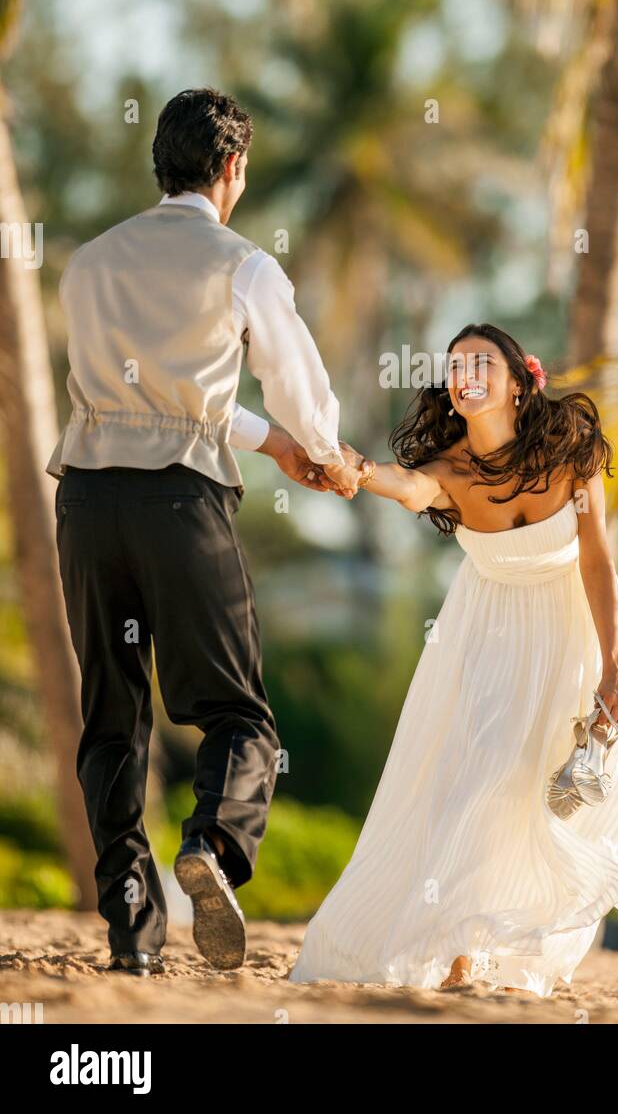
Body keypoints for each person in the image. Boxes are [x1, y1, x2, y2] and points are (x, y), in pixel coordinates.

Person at [47, 87, 368, 976]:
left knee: (112, 717)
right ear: (232, 168)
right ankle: (215, 849)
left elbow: (159, 398)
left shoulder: (89, 264)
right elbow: (292, 389)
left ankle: (132, 933)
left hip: (84, 498)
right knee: (236, 714)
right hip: (181, 506)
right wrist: (325, 453)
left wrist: (270, 447)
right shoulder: (243, 265)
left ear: (161, 164)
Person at [289, 323, 618, 997]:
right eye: (456, 363)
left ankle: (498, 942)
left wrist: (614, 661)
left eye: (481, 361)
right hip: (489, 631)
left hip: (573, 627)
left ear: (520, 382)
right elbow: (409, 488)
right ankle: (462, 950)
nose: (465, 371)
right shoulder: (451, 470)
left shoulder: (571, 452)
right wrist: (357, 468)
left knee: (545, 797)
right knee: (479, 779)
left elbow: (599, 560)